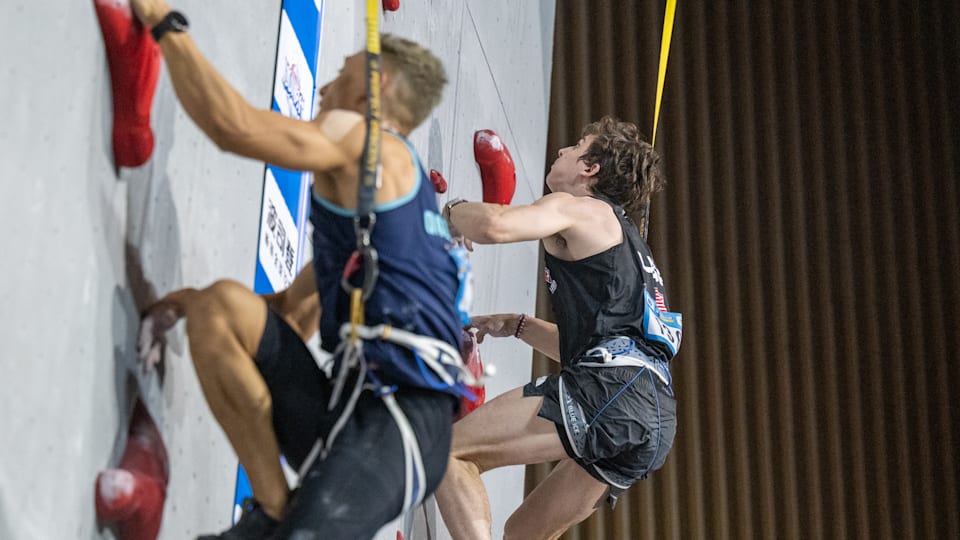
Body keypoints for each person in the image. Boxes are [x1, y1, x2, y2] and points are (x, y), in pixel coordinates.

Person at [129, 1, 472, 538]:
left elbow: (233, 128)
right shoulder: (382, 213)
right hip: (346, 408)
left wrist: (162, 24)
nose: (324, 89)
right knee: (219, 308)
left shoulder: (365, 138)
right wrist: (189, 304)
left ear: (371, 90)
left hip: (402, 424)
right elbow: (294, 312)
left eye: (340, 76)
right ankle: (272, 508)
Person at [435, 116, 682, 539]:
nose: (563, 151)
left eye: (577, 145)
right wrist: (517, 325)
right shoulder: (631, 248)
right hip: (653, 417)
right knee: (524, 532)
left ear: (590, 168)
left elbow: (495, 225)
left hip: (611, 390)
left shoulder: (581, 208)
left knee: (450, 454)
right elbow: (606, 344)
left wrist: (454, 211)